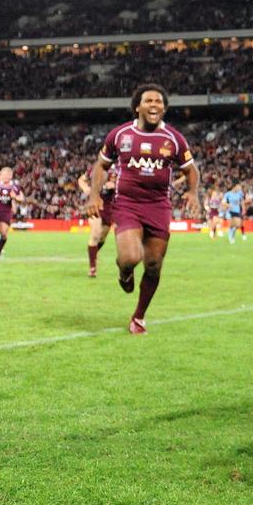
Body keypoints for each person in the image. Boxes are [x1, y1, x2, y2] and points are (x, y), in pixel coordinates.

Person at [88, 83, 200, 335]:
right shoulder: (119, 135)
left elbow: (190, 169)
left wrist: (193, 193)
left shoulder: (174, 138)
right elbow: (101, 165)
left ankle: (138, 316)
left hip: (159, 206)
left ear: (164, 108)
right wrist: (94, 194)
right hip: (127, 203)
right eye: (148, 101)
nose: (154, 105)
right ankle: (124, 272)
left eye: (159, 102)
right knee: (130, 258)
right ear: (137, 106)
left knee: (153, 265)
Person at [77, 164, 117, 276]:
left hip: (109, 206)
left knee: (103, 236)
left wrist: (114, 185)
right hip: (94, 203)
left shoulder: (119, 167)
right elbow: (81, 179)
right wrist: (85, 188)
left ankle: (94, 253)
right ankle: (92, 268)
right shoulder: (94, 168)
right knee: (95, 233)